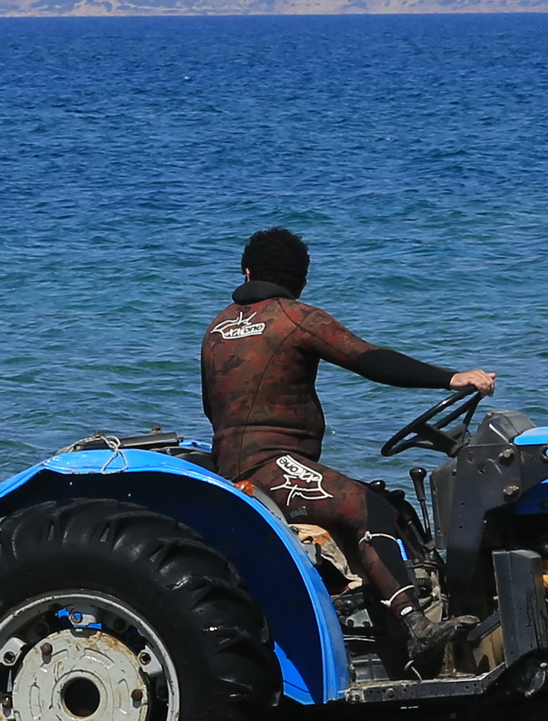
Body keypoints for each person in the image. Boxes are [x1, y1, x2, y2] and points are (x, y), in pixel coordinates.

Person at [201, 228, 497, 674]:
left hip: (238, 463)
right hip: (269, 466)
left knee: (393, 506)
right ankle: (417, 629)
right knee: (369, 508)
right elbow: (368, 359)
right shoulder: (295, 316)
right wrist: (451, 378)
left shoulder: (216, 329)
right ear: (301, 280)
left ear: (246, 271)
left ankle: (394, 648)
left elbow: (212, 407)